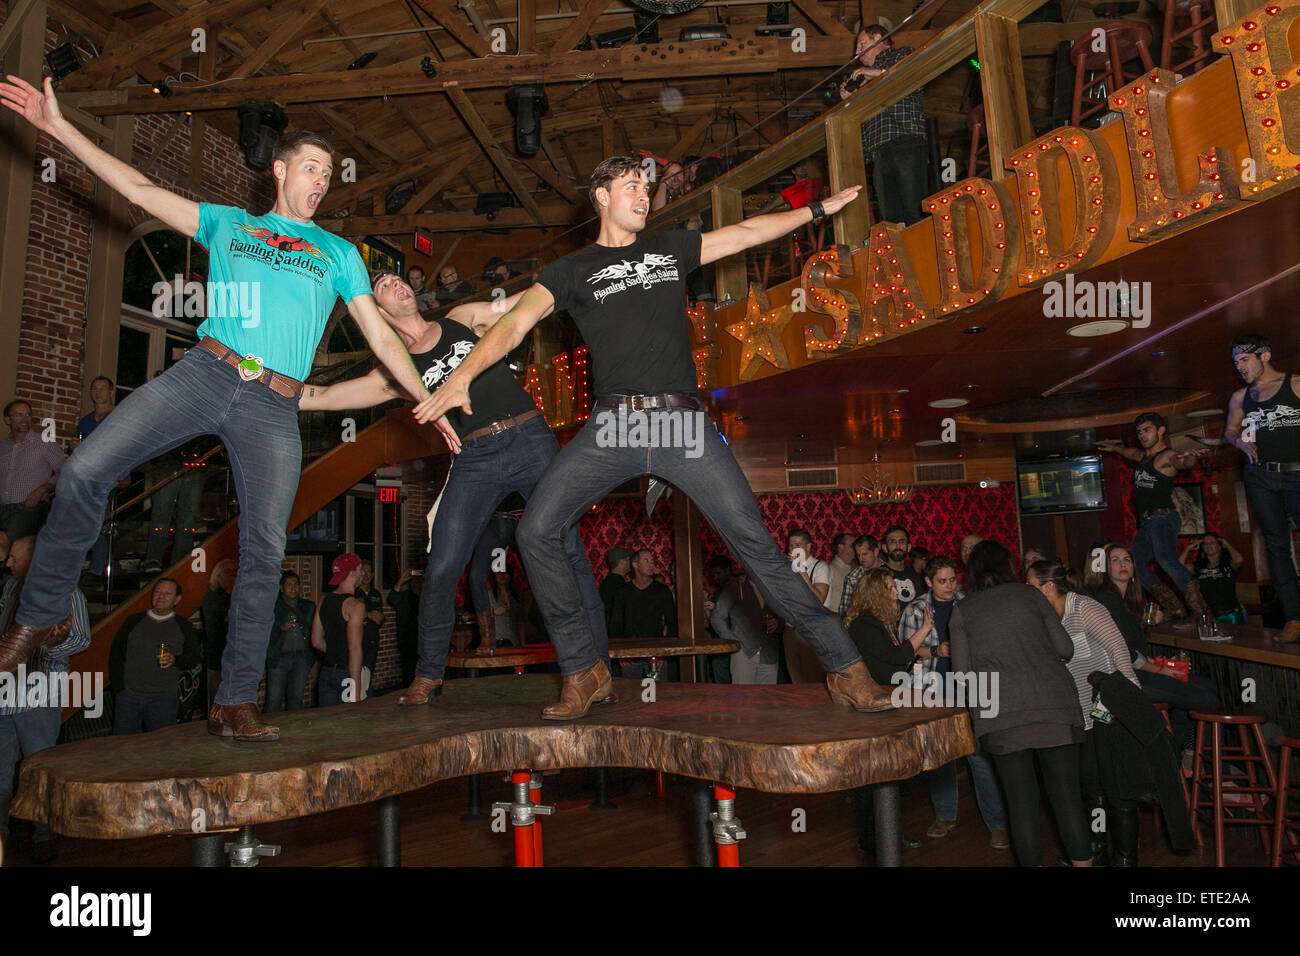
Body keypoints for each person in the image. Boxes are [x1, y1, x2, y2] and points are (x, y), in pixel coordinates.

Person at [0, 76, 432, 744]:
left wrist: (425, 394)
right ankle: (42, 614)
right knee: (85, 469)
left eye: (329, 175)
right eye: (310, 169)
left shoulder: (338, 254)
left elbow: (379, 336)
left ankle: (234, 701)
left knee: (264, 546)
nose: (320, 182)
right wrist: (58, 129)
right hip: (207, 371)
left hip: (273, 405)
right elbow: (139, 191)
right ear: (280, 171)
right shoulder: (230, 224)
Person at [413, 155, 892, 719]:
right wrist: (461, 377)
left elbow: (742, 233)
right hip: (614, 424)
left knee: (756, 546)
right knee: (536, 530)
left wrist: (815, 210)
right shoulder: (569, 271)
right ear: (601, 196)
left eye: (646, 187)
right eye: (631, 186)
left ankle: (847, 668)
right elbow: (512, 326)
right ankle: (584, 670)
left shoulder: (667, 249)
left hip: (681, 423)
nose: (643, 195)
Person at [299, 272, 610, 705]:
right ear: (378, 313)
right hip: (474, 458)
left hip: (528, 439)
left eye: (398, 279)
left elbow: (523, 303)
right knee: (442, 566)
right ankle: (427, 677)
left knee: (568, 551)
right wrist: (272, 387)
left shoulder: (461, 318)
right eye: (385, 285)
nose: (397, 284)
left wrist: (574, 277)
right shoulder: (396, 369)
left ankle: (599, 671)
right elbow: (328, 394)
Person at [949, 541, 1093, 867]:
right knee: (1067, 799)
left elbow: (961, 674)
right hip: (1054, 707)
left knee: (1021, 804)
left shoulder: (963, 610)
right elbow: (1065, 649)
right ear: (1008, 567)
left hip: (1000, 715)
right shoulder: (1030, 595)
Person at [1027, 559, 1141, 866]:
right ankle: (1097, 851)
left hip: (1108, 711)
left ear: (1048, 588)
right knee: (1091, 788)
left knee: (1115, 787)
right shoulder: (1047, 619)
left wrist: (1131, 702)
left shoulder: (1085, 608)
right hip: (1078, 718)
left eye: (1031, 586)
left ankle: (1127, 859)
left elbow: (1119, 651)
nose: (1027, 592)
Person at [0, 537, 89, 863]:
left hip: (39, 693)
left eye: (13, 557)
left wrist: (41, 647)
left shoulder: (65, 591)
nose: (7, 563)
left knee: (40, 762)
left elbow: (81, 637)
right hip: (3, 693)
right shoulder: (9, 590)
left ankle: (44, 831)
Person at [1087, 542, 1219, 752]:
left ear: (1133, 570)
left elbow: (1134, 650)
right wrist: (1164, 669)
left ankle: (1185, 751)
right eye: (1115, 560)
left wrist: (1169, 666)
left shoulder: (1124, 604)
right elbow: (1127, 655)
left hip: (1133, 675)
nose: (1122, 564)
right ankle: (1207, 764)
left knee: (1206, 685)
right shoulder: (1108, 600)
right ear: (1105, 570)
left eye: (1127, 560)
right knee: (1206, 697)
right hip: (1123, 681)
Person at [1223, 333, 1300, 642]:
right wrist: (1238, 440)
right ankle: (1294, 620)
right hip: (1260, 477)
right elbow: (1229, 430)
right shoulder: (1241, 397)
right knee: (1277, 547)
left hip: (1297, 474)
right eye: (1236, 362)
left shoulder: (1295, 385)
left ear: (1265, 356)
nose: (1240, 367)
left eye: (1245, 359)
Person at [1098, 412, 1211, 619]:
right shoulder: (1144, 457)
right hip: (1148, 522)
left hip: (1163, 518)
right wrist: (1115, 448)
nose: (1142, 435)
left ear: (1161, 431)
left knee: (1166, 559)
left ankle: (1202, 612)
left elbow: (1181, 462)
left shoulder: (1167, 456)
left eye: (1147, 430)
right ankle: (1175, 608)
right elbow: (1131, 453)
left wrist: (1190, 458)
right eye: (1139, 431)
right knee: (1135, 566)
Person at [839, 25, 928, 225]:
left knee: (915, 211)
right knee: (892, 220)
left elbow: (914, 77)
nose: (856, 52)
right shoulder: (864, 78)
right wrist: (848, 100)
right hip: (878, 151)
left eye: (862, 44)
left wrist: (875, 73)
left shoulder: (902, 53)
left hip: (904, 140)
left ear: (879, 38)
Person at [109, 577, 200, 733]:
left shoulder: (183, 626)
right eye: (157, 592)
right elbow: (116, 655)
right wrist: (119, 689)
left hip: (163, 699)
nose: (160, 596)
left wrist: (175, 659)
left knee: (161, 748)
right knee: (122, 748)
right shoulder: (133, 621)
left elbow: (194, 658)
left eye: (167, 593)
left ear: (177, 599)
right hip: (129, 697)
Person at [0, 400, 64, 559]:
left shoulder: (45, 442)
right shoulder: (2, 446)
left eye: (28, 414)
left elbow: (64, 471)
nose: (25, 419)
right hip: (3, 508)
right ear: (7, 420)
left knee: (5, 546)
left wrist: (43, 489)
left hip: (29, 508)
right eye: (19, 415)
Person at [706, 556, 778, 684]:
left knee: (767, 699)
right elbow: (717, 617)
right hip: (744, 653)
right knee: (743, 700)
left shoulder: (772, 588)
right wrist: (734, 641)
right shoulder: (735, 586)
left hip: (768, 653)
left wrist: (779, 622)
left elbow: (785, 615)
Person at [312, 553, 366, 706]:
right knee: (351, 725)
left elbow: (316, 641)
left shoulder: (323, 601)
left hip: (327, 672)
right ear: (352, 572)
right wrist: (355, 691)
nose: (363, 573)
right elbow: (354, 650)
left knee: (328, 724)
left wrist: (334, 652)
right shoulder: (355, 606)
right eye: (360, 569)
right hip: (347, 674)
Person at [783, 528, 832, 682]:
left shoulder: (820, 567)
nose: (793, 549)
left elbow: (818, 600)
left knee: (814, 680)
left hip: (813, 632)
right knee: (796, 681)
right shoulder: (786, 569)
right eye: (791, 546)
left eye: (798, 545)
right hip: (790, 631)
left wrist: (801, 571)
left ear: (809, 547)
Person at [265, 571, 315, 712]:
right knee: (274, 699)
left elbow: (314, 630)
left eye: (296, 584)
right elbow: (263, 631)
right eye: (289, 585)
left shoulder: (308, 607)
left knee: (296, 699)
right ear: (281, 588)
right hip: (279, 658)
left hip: (301, 658)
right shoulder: (272, 607)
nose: (293, 588)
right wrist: (280, 628)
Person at [1181, 533, 1247, 624]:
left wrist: (1226, 544)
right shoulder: (1198, 567)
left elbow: (1239, 559)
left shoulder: (1228, 565)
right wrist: (1188, 548)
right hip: (1210, 615)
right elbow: (1178, 568)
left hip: (1231, 613)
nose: (1208, 545)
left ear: (1219, 546)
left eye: (1212, 543)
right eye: (1205, 543)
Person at [200, 558, 235, 706]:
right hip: (218, 658)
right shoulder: (212, 598)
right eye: (228, 572)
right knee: (217, 702)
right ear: (218, 575)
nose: (233, 575)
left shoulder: (235, 597)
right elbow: (223, 622)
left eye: (235, 572)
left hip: (236, 659)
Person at [386, 568, 422, 687]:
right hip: (408, 642)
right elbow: (392, 598)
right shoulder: (406, 597)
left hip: (424, 641)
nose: (417, 584)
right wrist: (400, 581)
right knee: (409, 675)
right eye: (414, 581)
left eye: (420, 581)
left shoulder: (427, 599)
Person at [353, 559, 385, 697]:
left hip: (371, 641)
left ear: (372, 575)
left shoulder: (376, 594)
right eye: (363, 572)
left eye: (368, 573)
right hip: (357, 640)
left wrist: (380, 618)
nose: (365, 576)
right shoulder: (353, 593)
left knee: (368, 676)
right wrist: (368, 615)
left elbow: (379, 617)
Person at [882, 525, 925, 611]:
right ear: (885, 548)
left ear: (908, 547)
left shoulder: (917, 577)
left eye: (902, 541)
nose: (898, 546)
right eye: (892, 542)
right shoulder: (878, 576)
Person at [839, 533, 880, 617]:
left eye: (864, 554)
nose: (861, 559)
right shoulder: (853, 577)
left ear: (875, 552)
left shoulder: (888, 570)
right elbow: (845, 610)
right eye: (858, 555)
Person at [827, 532, 857, 612]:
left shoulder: (855, 569)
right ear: (840, 547)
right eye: (852, 546)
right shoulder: (830, 569)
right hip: (836, 619)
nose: (856, 549)